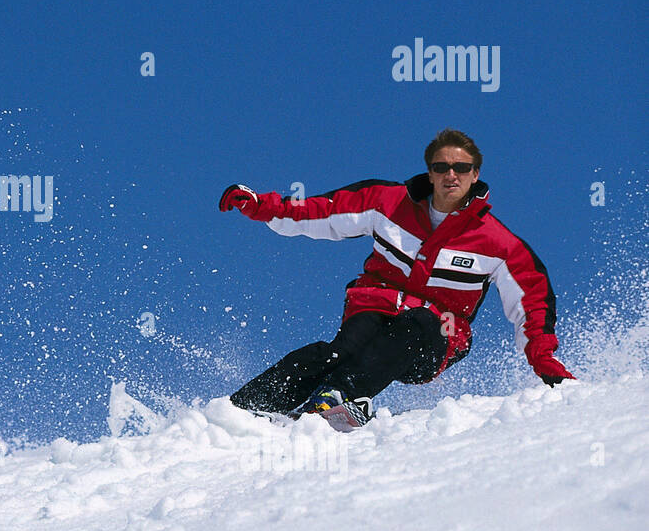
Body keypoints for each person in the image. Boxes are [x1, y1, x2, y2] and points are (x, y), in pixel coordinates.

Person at [219, 128, 573, 430]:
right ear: (430, 173)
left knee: (419, 322)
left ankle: (342, 399)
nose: (451, 175)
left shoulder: (498, 244)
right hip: (374, 308)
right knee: (336, 352)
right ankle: (246, 409)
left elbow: (532, 302)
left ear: (475, 174)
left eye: (461, 168)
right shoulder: (387, 203)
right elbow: (322, 212)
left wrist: (544, 360)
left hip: (435, 337)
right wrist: (261, 206)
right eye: (442, 167)